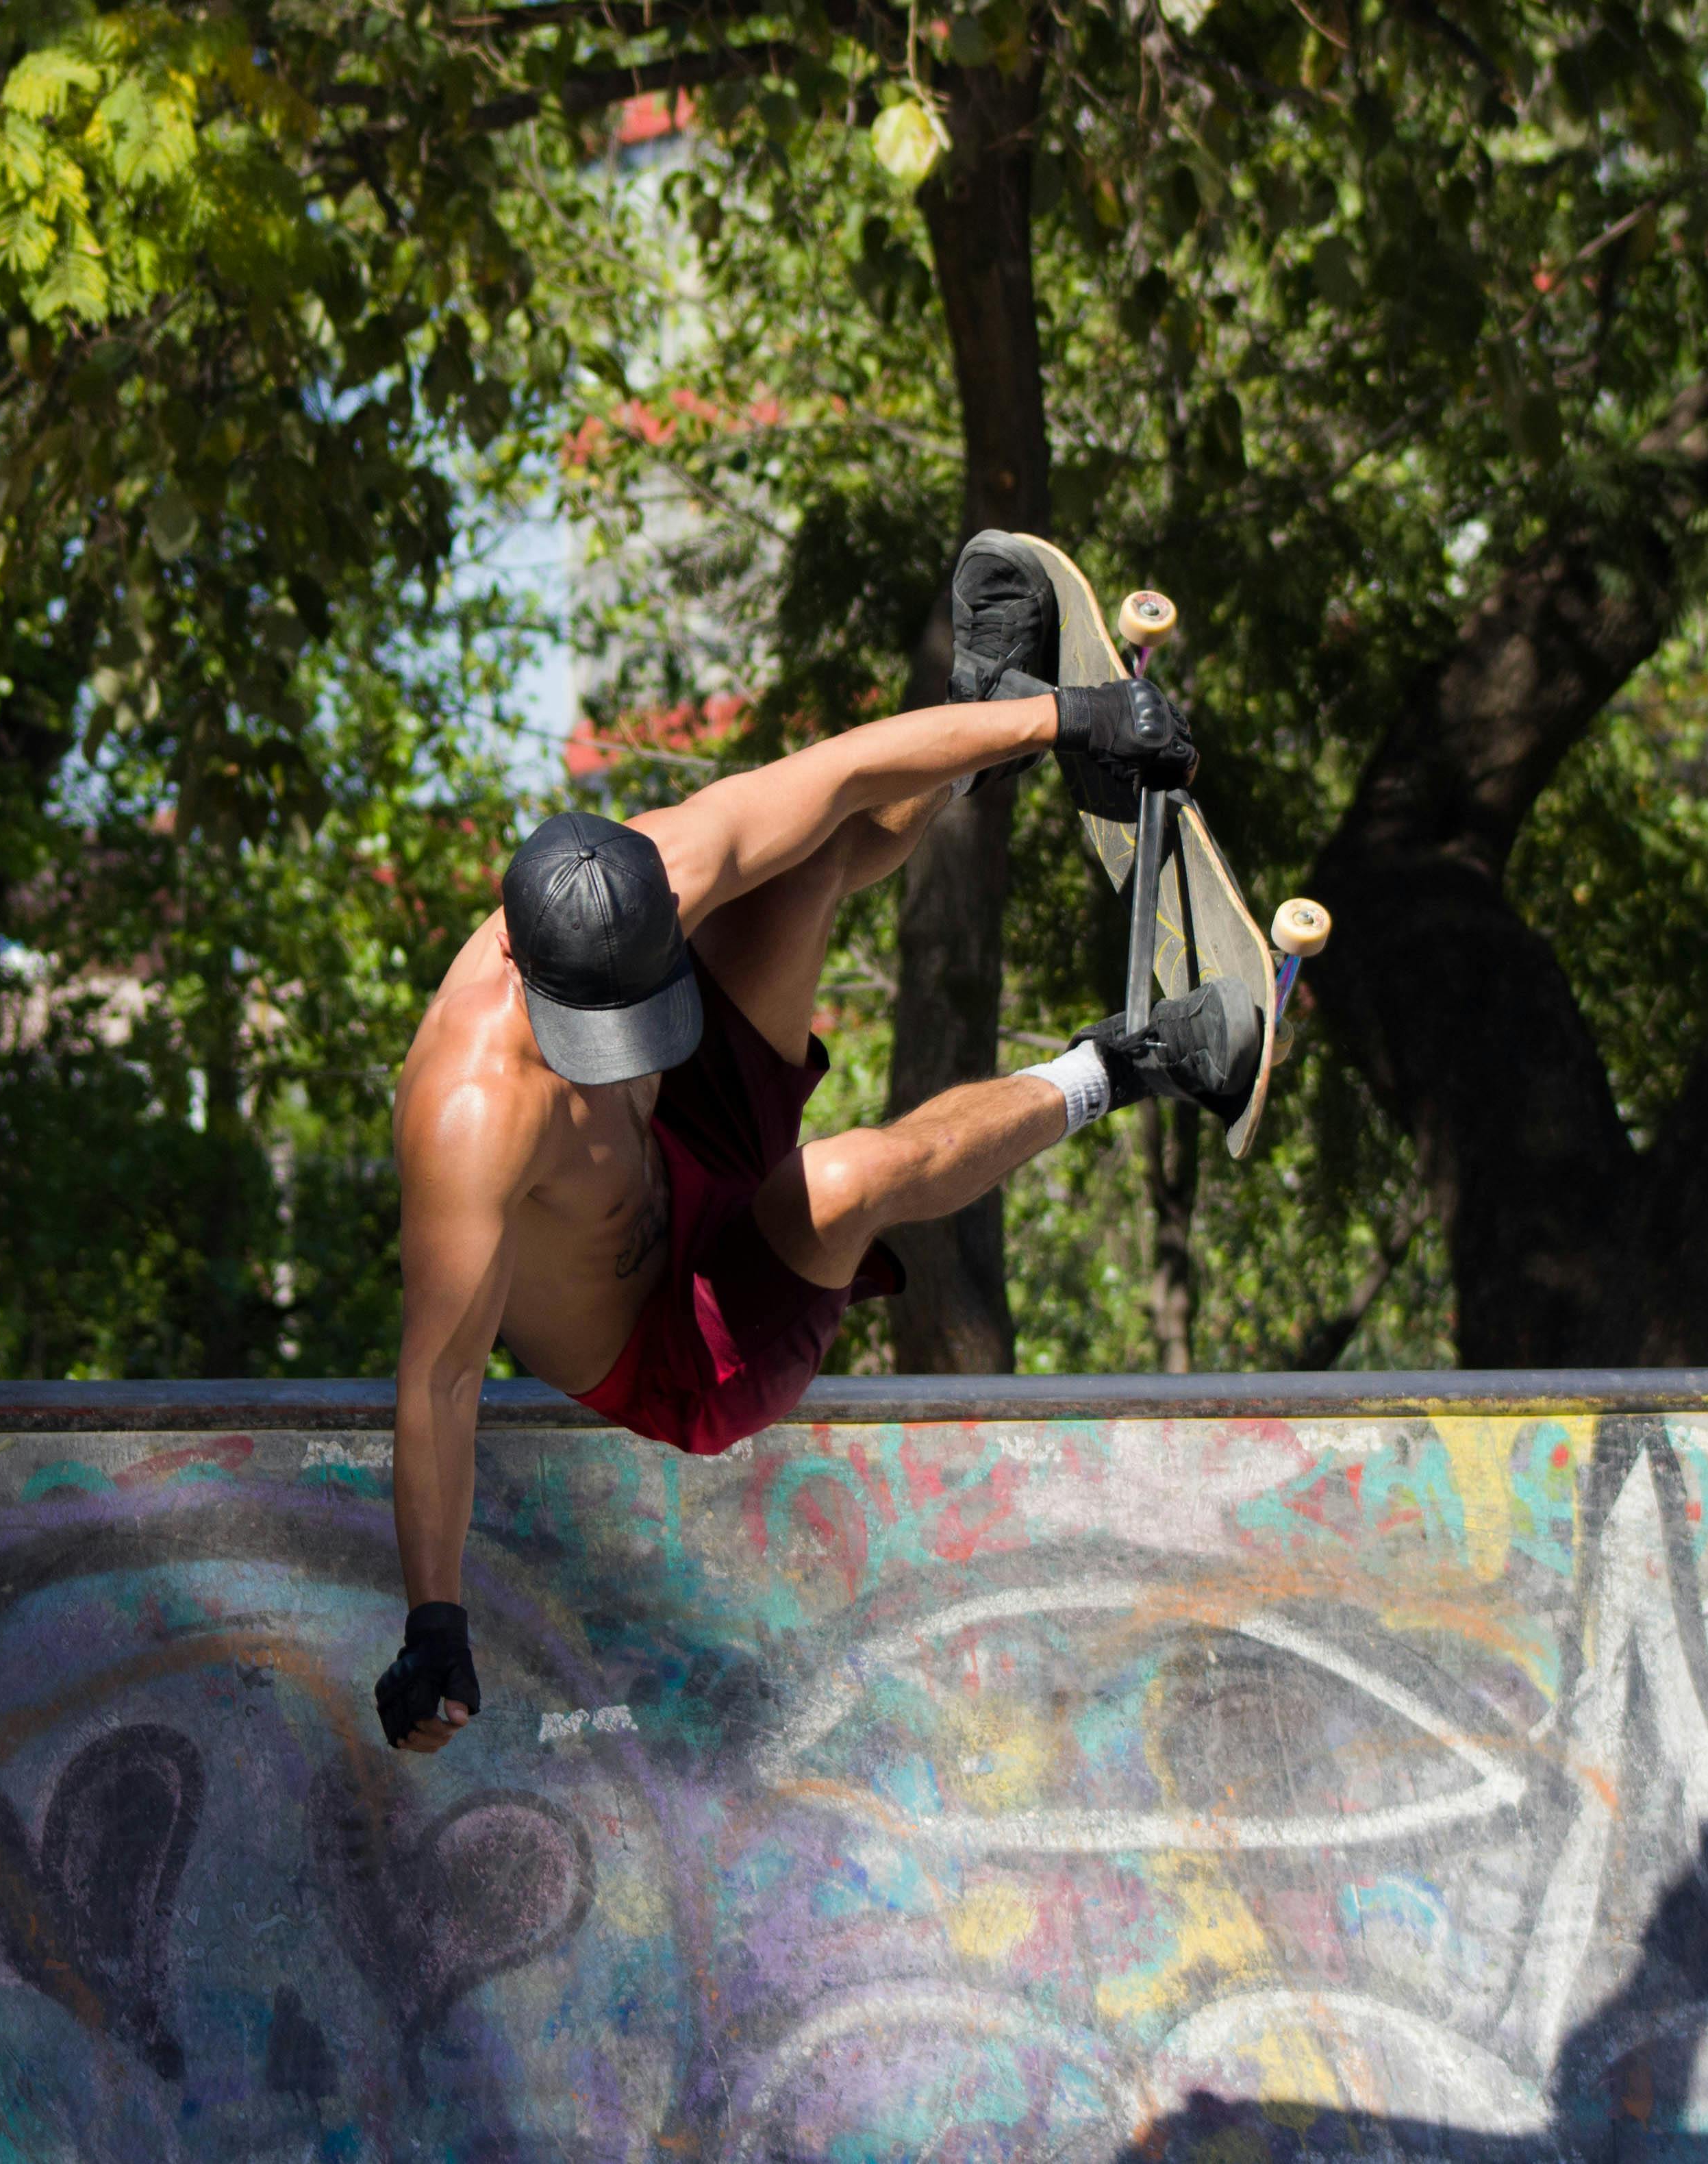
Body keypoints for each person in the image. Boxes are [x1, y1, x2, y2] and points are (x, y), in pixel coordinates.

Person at [373, 539, 1259, 1749]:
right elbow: (438, 1379)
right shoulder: (469, 1117)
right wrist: (436, 1621)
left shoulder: (653, 863)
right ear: (521, 972)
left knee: (806, 866)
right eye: (601, 1038)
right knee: (849, 1177)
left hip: (693, 1133)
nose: (622, 1055)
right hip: (679, 1338)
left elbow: (839, 774)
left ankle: (986, 722)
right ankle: (1133, 1063)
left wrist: (1068, 719)